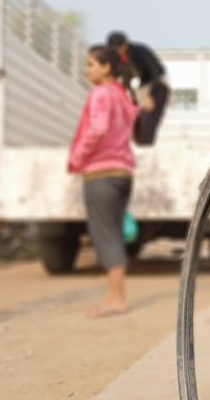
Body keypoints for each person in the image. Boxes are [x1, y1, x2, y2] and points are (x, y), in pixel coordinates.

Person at [68, 45, 139, 318]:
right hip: (122, 172)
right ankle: (113, 296)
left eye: (91, 64)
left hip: (101, 173)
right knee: (113, 233)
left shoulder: (100, 94)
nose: (87, 70)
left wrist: (77, 158)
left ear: (107, 67)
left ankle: (116, 300)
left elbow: (96, 129)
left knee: (105, 235)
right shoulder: (122, 96)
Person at [106, 31, 170, 146]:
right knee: (136, 118)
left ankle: (146, 145)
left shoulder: (140, 51)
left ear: (124, 45)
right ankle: (137, 143)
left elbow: (155, 73)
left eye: (118, 49)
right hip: (140, 86)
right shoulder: (117, 59)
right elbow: (125, 80)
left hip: (157, 84)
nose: (116, 53)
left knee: (148, 117)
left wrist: (149, 95)